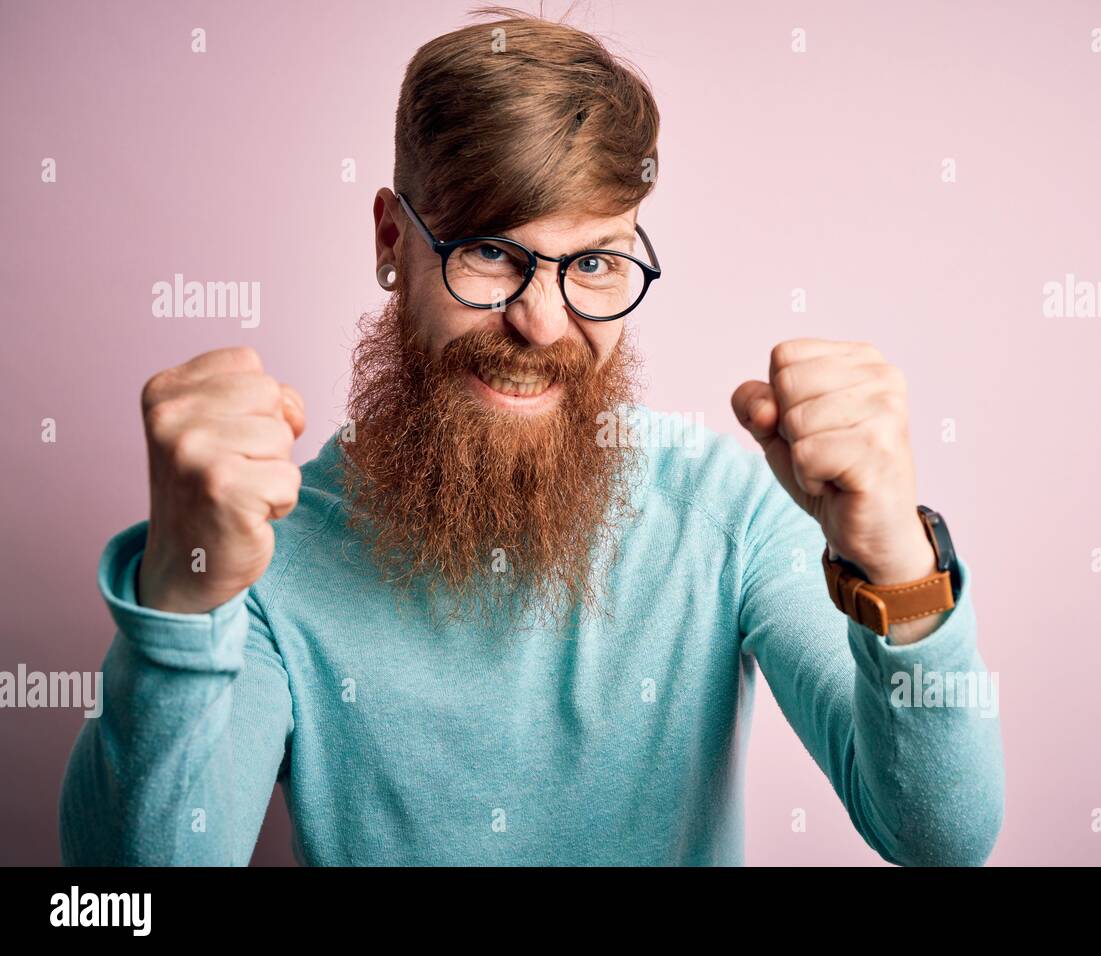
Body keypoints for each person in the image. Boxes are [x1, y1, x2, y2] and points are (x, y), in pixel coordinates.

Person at [58, 8, 1003, 866]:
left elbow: (938, 835)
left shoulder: (727, 512)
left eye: (594, 262)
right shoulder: (264, 559)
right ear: (392, 242)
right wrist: (182, 603)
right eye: (491, 252)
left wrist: (895, 563)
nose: (543, 324)